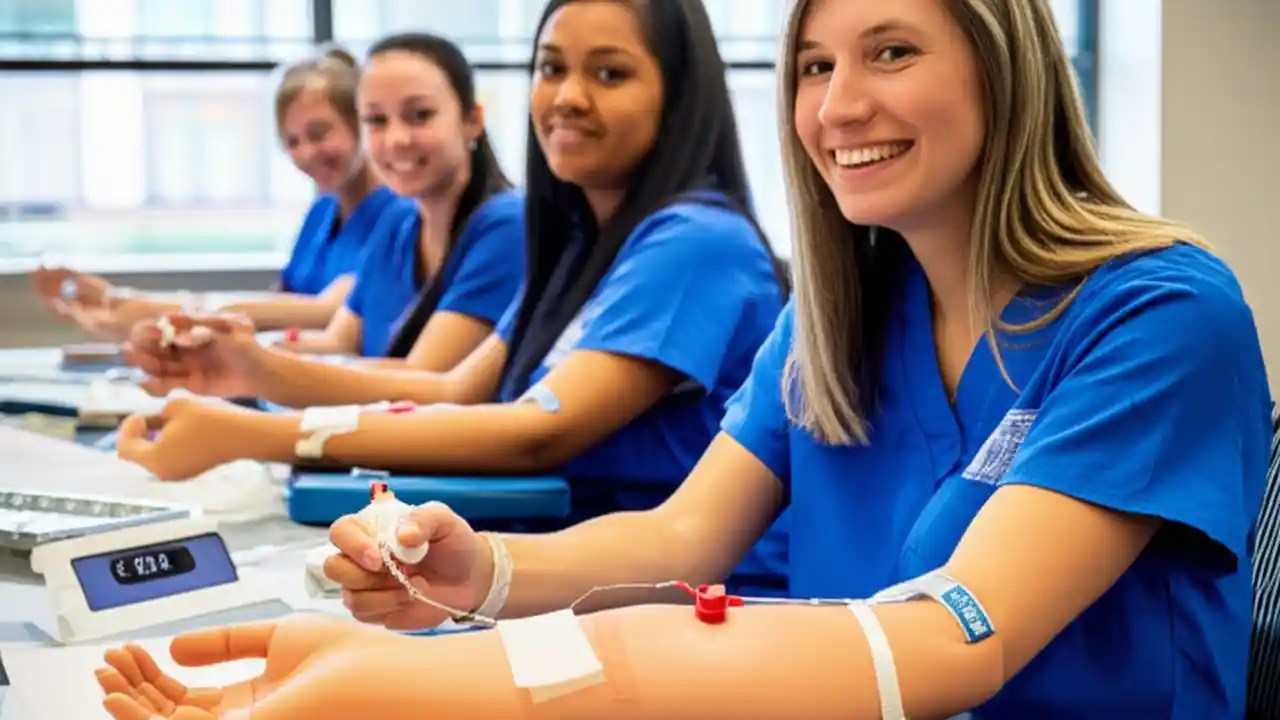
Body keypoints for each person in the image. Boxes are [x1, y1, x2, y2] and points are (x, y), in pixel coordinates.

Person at [113, 0, 789, 595]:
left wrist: (261, 433)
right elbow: (457, 389)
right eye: (552, 69)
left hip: (675, 595)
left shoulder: (696, 244)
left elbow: (536, 432)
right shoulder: (586, 243)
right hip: (561, 557)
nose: (568, 97)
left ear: (680, 94)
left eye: (609, 73)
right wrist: (251, 373)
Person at [30, 46, 403, 339]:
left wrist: (134, 304)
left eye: (320, 133)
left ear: (362, 121)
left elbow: (327, 310)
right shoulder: (323, 211)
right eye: (292, 141)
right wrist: (120, 306)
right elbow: (272, 305)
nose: (306, 153)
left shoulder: (397, 214)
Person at [262, 33, 524, 362]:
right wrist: (239, 348)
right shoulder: (398, 221)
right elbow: (340, 342)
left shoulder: (507, 226)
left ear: (472, 120)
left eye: (420, 115)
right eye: (376, 121)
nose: (396, 139)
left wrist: (260, 368)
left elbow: (423, 378)